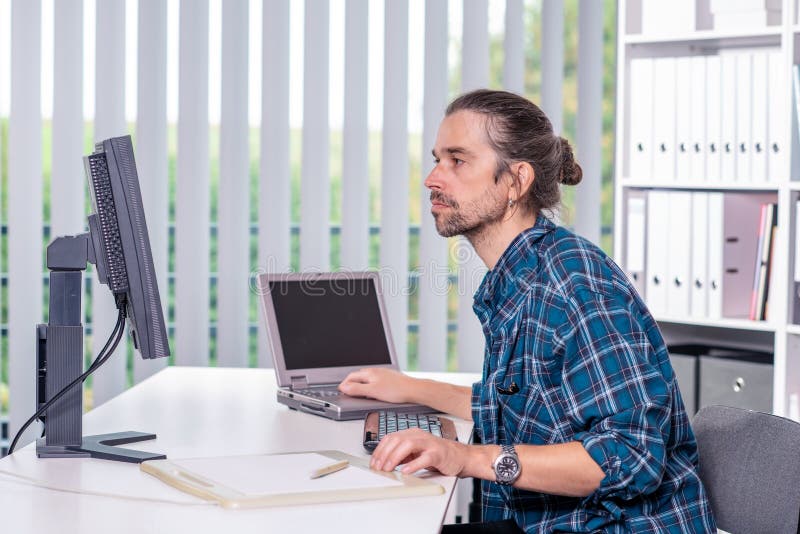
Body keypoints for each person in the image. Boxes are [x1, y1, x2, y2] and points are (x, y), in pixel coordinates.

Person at [339, 89, 716, 533]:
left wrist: (466, 457)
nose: (433, 178)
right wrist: (407, 388)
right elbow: (518, 407)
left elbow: (631, 456)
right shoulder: (522, 275)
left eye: (457, 161)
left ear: (515, 181)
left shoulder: (575, 287)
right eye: (437, 159)